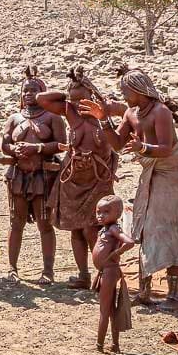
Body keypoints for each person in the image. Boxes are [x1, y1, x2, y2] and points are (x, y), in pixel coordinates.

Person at [80, 65, 178, 310]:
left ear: (139, 89)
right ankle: (144, 291)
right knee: (143, 226)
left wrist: (142, 148)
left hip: (176, 175)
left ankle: (173, 296)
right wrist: (103, 119)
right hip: (152, 173)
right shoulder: (131, 113)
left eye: (126, 91)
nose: (123, 96)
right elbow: (116, 144)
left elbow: (166, 148)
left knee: (170, 227)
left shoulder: (161, 112)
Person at [35, 66, 120, 288]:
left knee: (92, 229)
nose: (78, 104)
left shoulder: (102, 117)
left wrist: (97, 100)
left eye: (82, 100)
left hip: (97, 182)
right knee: (75, 228)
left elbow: (115, 145)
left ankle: (103, 273)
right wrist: (69, 93)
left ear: (91, 97)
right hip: (73, 182)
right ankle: (83, 275)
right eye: (73, 100)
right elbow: (41, 99)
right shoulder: (70, 113)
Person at [2, 67, 66, 284]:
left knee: (44, 223)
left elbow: (61, 145)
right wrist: (14, 150)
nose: (28, 94)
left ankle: (48, 271)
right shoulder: (13, 118)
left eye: (33, 90)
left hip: (43, 177)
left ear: (42, 93)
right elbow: (4, 144)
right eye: (25, 90)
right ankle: (12, 269)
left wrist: (37, 149)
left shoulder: (53, 118)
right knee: (16, 221)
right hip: (19, 175)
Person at [92, 195, 135, 353]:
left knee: (105, 310)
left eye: (106, 212)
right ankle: (115, 345)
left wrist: (115, 253)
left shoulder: (114, 229)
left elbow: (129, 242)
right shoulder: (104, 229)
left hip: (110, 272)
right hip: (105, 271)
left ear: (117, 213)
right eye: (98, 212)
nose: (100, 215)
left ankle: (99, 345)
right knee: (110, 309)